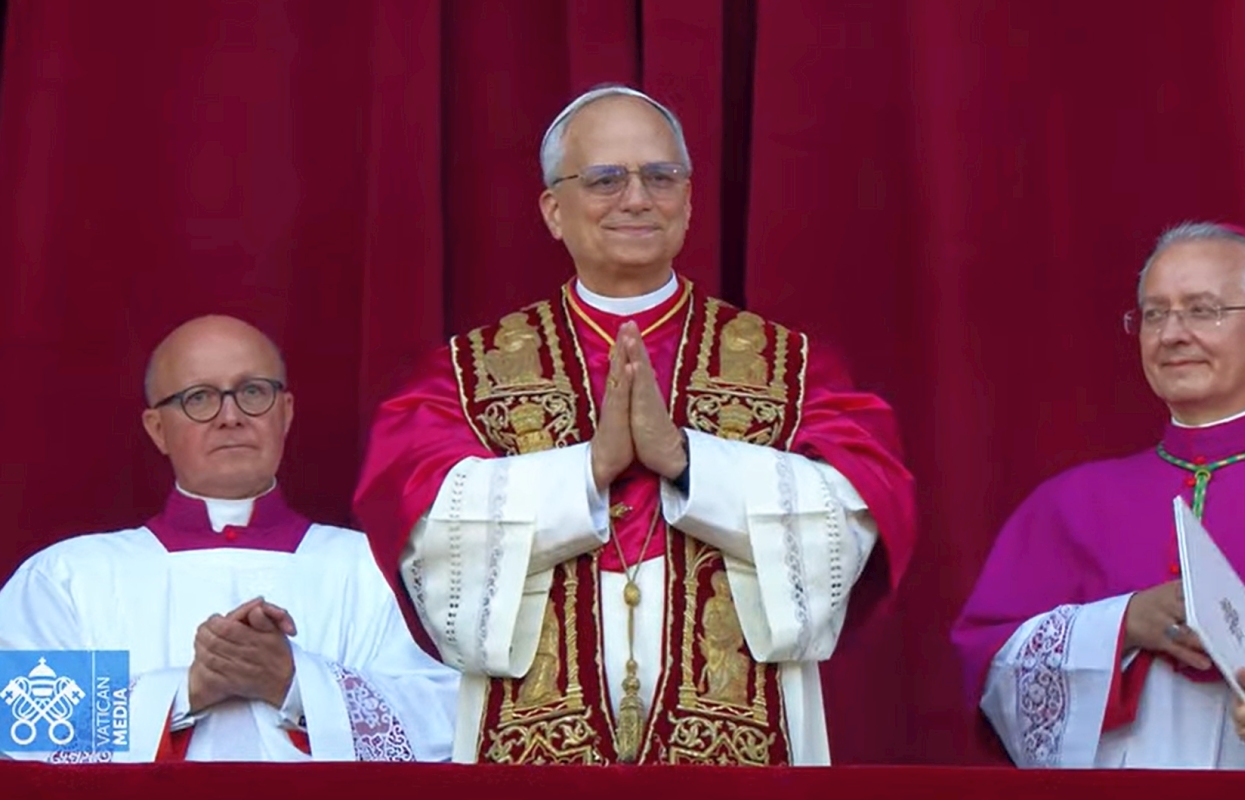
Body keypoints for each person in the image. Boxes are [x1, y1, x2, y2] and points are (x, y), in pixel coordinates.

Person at [353, 85, 917, 765]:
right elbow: (423, 532)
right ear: (553, 211)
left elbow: (854, 516)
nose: (636, 198)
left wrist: (684, 459)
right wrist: (588, 469)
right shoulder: (466, 375)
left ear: (688, 199)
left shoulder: (789, 367)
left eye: (660, 175)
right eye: (604, 179)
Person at [0, 315, 458, 763]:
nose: (230, 416)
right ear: (157, 429)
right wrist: (190, 689)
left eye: (253, 391)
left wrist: (295, 683)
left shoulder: (375, 569)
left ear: (286, 413)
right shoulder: (69, 577)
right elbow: (18, 716)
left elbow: (448, 716)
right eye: (199, 398)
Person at [952, 221, 1245, 768]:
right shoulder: (1071, 504)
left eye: (1202, 309)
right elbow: (988, 667)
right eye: (1154, 314)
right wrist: (1122, 622)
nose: (1172, 333)